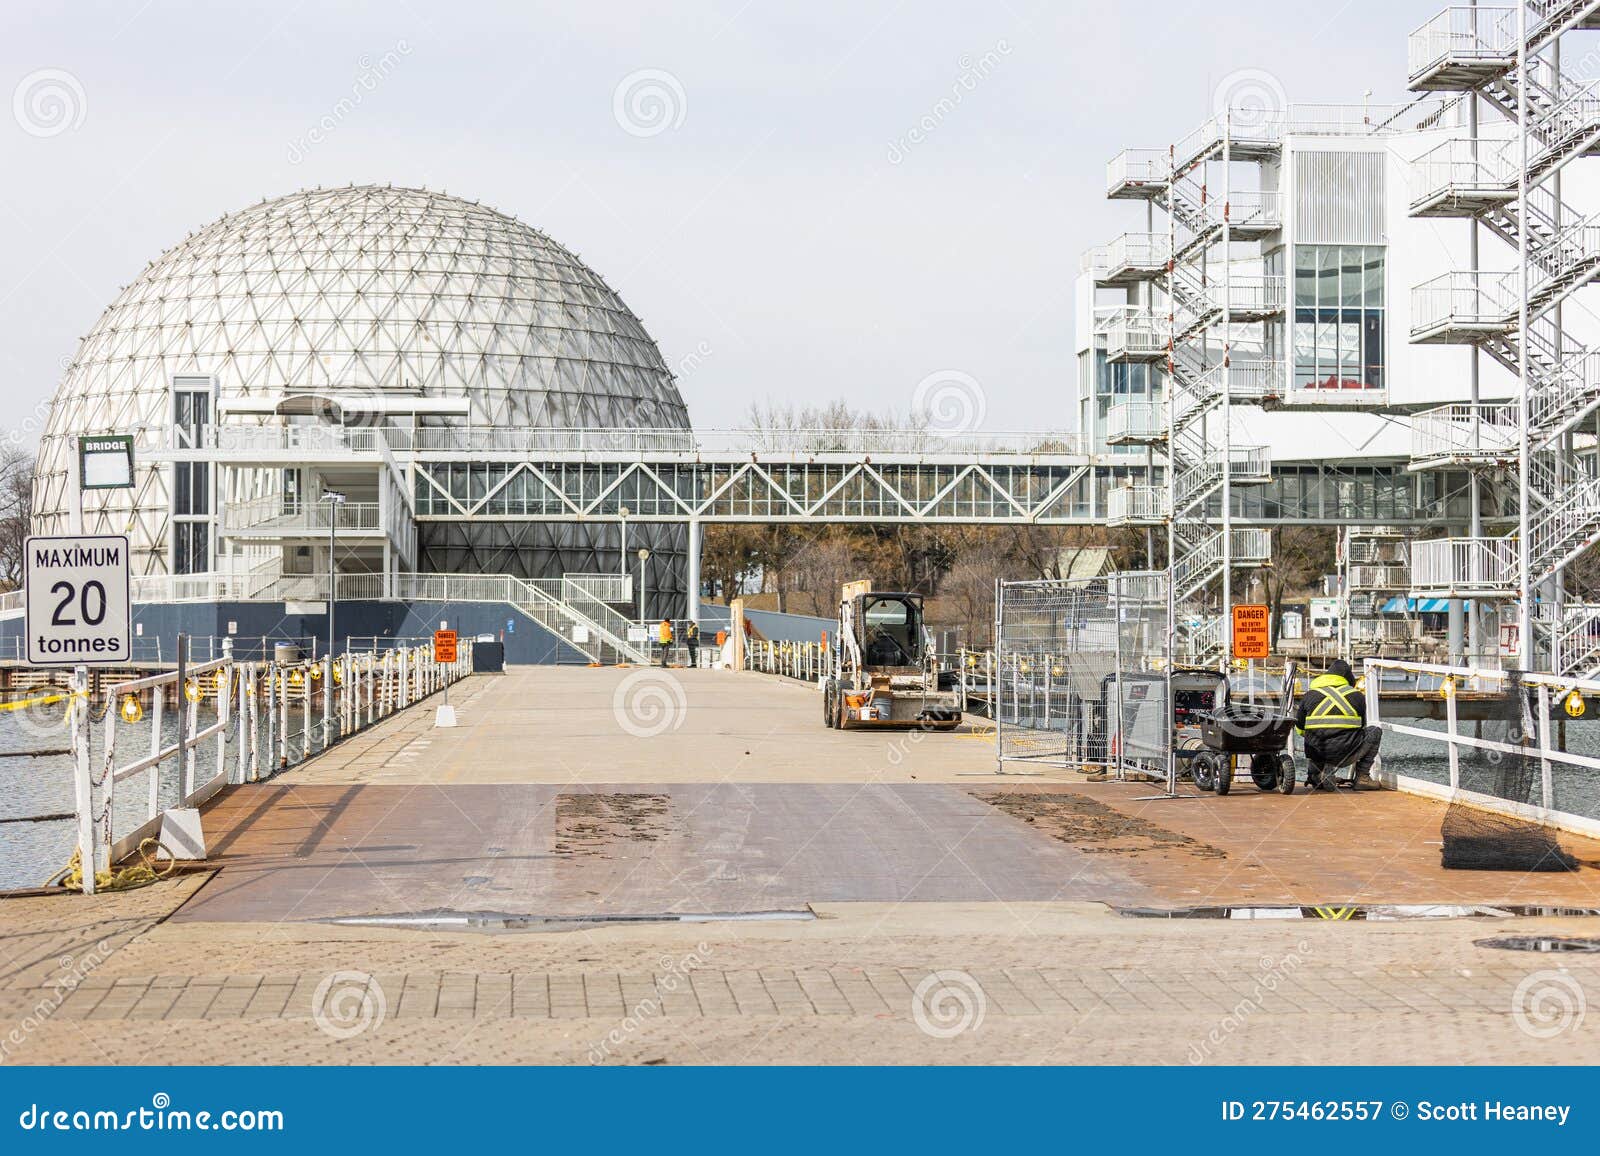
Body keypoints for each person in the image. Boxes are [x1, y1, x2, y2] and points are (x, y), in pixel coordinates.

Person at [1294, 659, 1382, 790]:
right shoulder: (1357, 696)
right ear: (1347, 678)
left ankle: (1316, 775)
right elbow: (1361, 727)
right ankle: (1362, 777)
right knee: (1375, 731)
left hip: (1317, 754)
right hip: (1346, 755)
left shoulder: (1309, 695)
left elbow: (1300, 729)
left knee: (1312, 738)